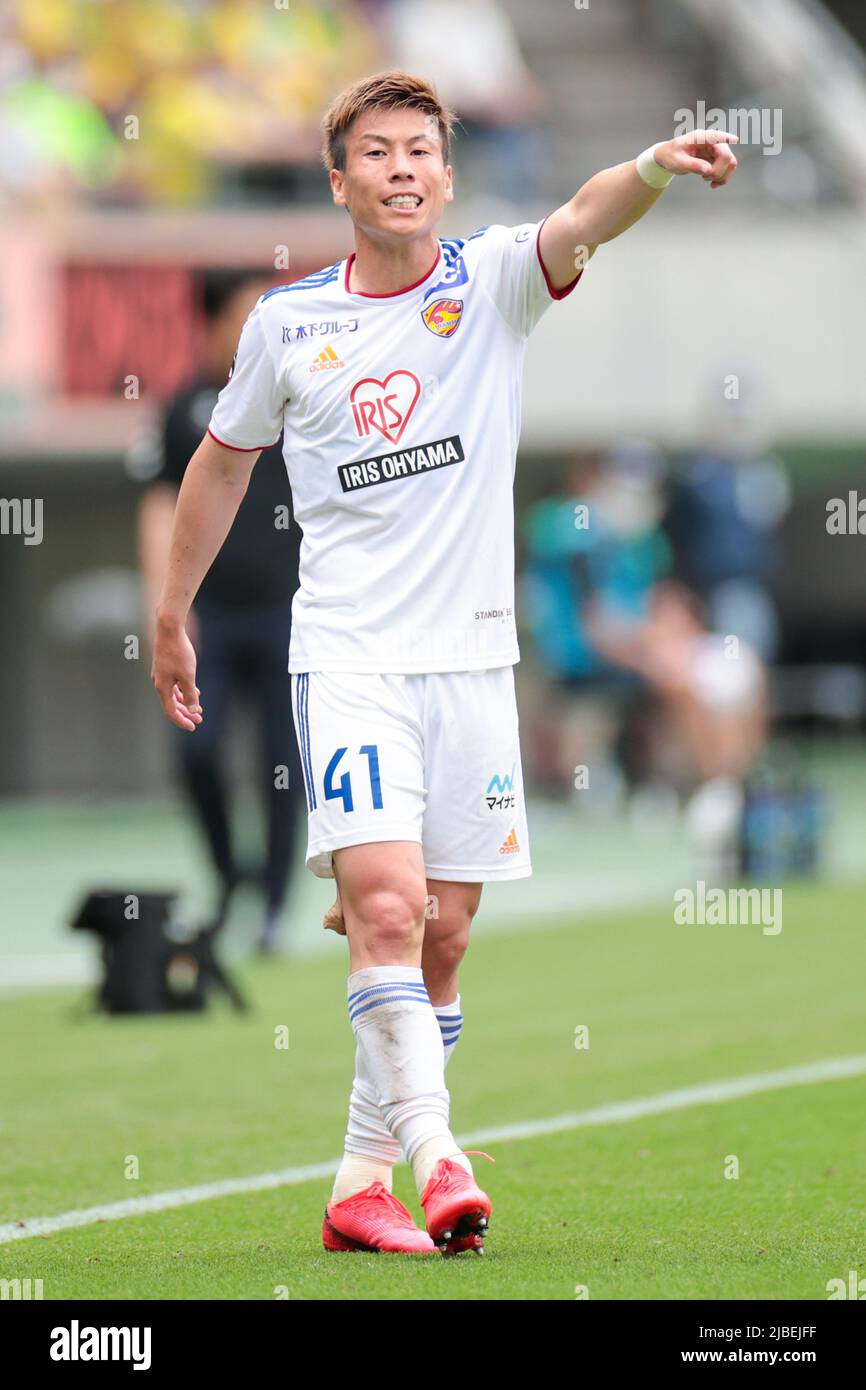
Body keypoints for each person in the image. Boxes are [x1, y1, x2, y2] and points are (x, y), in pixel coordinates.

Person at [149, 69, 738, 1256]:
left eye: (421, 149)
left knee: (444, 933)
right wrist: (173, 607)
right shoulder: (285, 325)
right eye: (377, 152)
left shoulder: (494, 283)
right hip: (351, 654)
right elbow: (219, 464)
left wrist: (652, 171)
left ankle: (359, 1183)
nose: (402, 168)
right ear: (339, 179)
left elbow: (579, 216)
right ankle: (438, 1153)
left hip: (470, 665)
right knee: (382, 905)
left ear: (447, 175)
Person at [134, 269, 305, 952]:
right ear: (209, 324)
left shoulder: (293, 399)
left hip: (290, 612)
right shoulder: (181, 411)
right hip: (214, 618)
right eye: (243, 314)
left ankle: (273, 902)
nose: (257, 328)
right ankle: (230, 872)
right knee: (196, 749)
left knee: (282, 762)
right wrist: (168, 610)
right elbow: (155, 506)